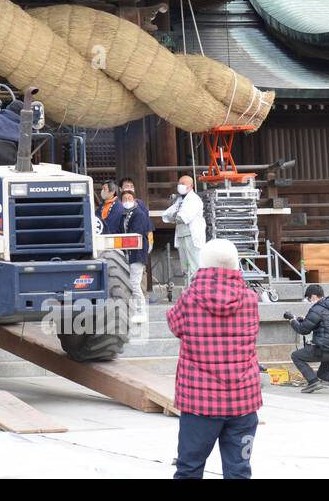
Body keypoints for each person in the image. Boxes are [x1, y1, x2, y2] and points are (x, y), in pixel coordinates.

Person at [166, 238, 261, 479]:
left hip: (200, 403)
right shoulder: (250, 299)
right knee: (239, 471)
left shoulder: (189, 298)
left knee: (189, 468)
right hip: (243, 402)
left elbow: (174, 325)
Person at [105, 187, 155, 325]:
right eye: (124, 199)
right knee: (129, 283)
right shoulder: (124, 215)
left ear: (134, 200)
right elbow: (118, 230)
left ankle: (142, 311)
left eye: (129, 199)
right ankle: (134, 311)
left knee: (134, 283)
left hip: (137, 253)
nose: (127, 201)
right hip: (127, 252)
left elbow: (136, 233)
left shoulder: (139, 214)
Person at [288, 284, 329, 394]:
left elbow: (303, 330)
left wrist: (292, 321)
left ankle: (313, 382)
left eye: (309, 298)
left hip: (324, 349)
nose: (309, 301)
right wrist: (305, 320)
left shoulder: (317, 308)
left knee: (296, 356)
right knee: (322, 372)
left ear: (314, 296)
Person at [161, 175, 207, 281]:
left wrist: (175, 216)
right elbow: (167, 215)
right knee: (185, 267)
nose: (180, 185)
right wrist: (175, 216)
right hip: (182, 235)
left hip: (191, 236)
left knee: (195, 265)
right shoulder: (180, 200)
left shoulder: (194, 199)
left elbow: (183, 217)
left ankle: (197, 292)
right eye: (179, 183)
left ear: (191, 186)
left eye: (183, 183)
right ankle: (188, 291)